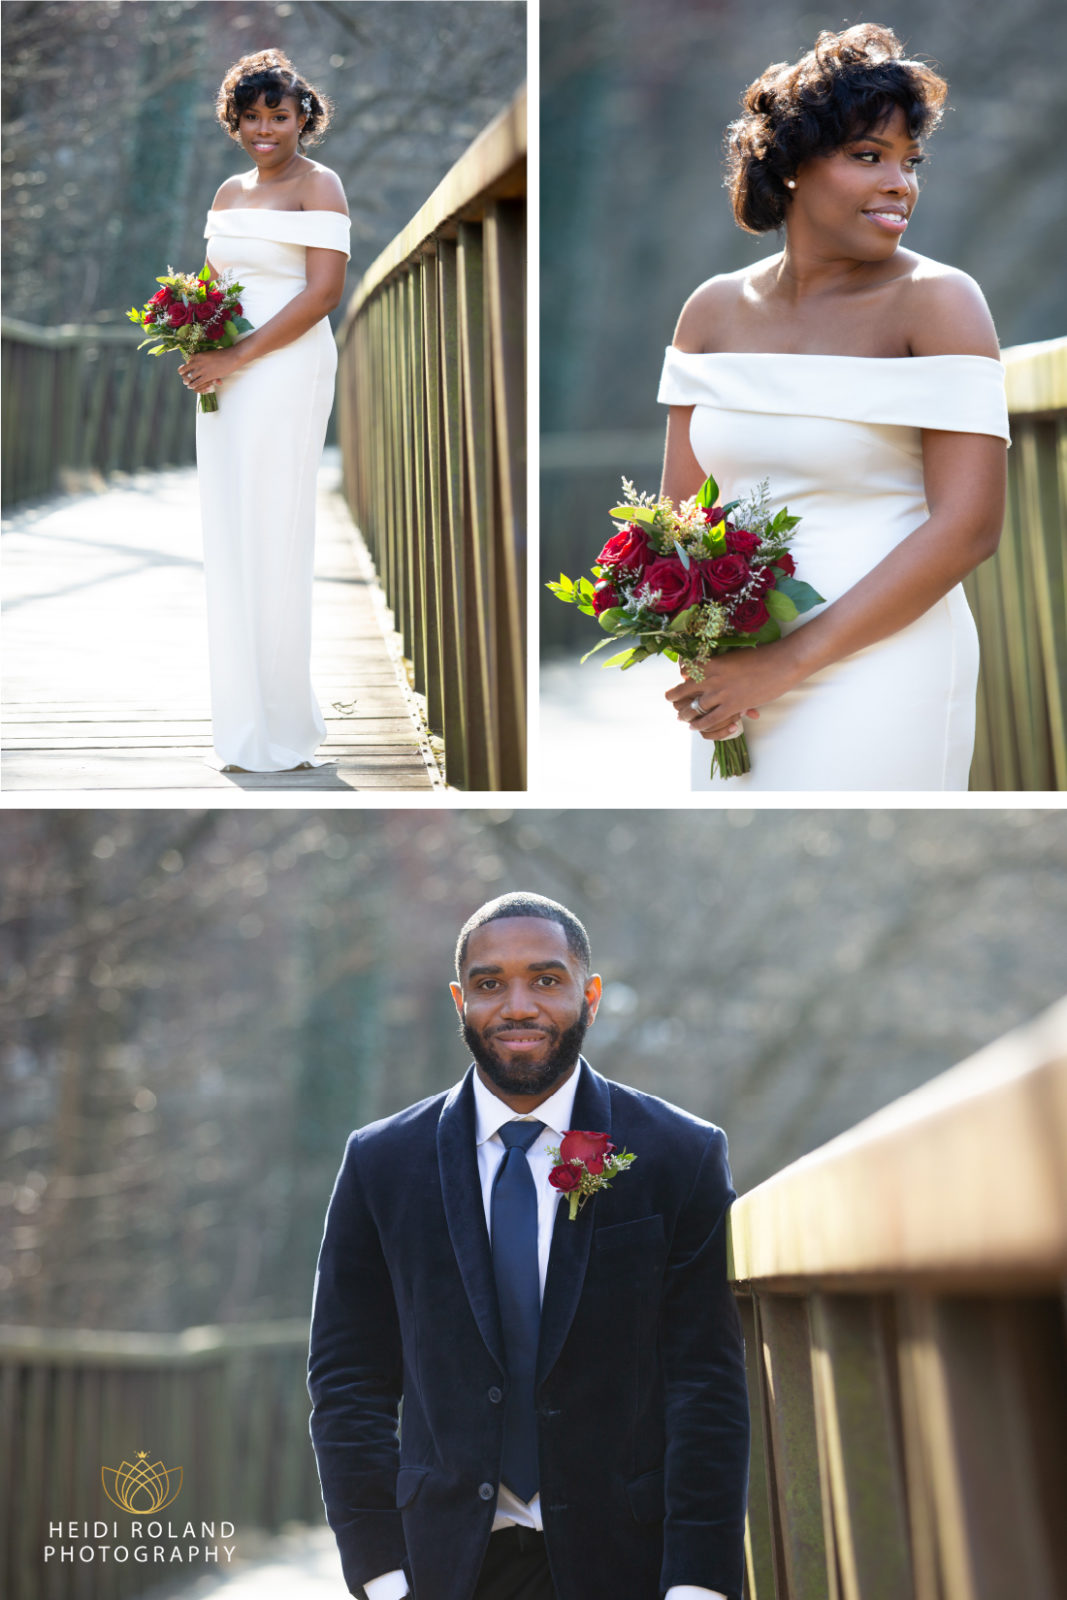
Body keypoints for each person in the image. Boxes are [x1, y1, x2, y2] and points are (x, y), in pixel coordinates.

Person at [308, 892, 749, 1600]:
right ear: (460, 1000)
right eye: (489, 984)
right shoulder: (380, 1162)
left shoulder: (679, 1153)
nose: (517, 1006)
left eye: (545, 980)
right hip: (442, 1566)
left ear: (589, 994)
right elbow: (348, 1379)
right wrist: (382, 1572)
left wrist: (698, 1581)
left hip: (625, 1561)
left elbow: (706, 1380)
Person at [656, 24, 1010, 791]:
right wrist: (702, 650)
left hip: (886, 661)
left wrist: (786, 663)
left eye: (909, 161)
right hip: (735, 669)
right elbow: (677, 516)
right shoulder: (709, 313)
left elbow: (968, 526)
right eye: (866, 156)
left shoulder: (939, 301)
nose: (900, 183)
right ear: (788, 168)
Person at [178, 50, 350, 773]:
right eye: (250, 118)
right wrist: (189, 331)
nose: (264, 130)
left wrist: (236, 355)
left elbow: (321, 295)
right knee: (230, 529)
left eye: (277, 116)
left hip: (283, 366)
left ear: (302, 117)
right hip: (226, 370)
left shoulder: (321, 186)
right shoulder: (226, 193)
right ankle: (241, 720)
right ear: (234, 121)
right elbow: (214, 286)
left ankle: (282, 725)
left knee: (274, 529)